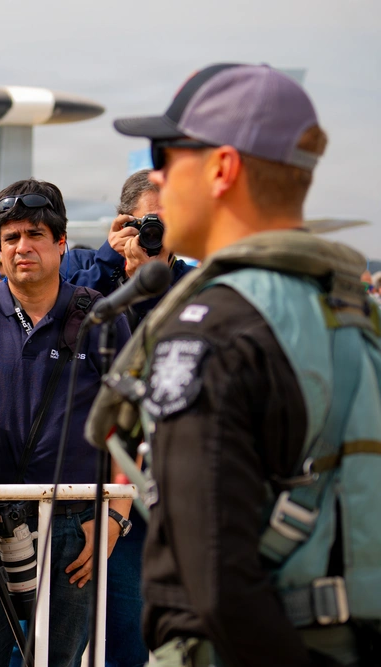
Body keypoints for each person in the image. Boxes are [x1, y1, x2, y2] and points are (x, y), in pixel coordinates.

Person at [88, 63, 381, 667]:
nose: (159, 180)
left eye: (167, 157)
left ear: (222, 168)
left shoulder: (213, 327)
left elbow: (212, 578)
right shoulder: (348, 306)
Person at [0, 178, 131, 667]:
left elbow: (132, 426)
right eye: (10, 238)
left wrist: (114, 516)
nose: (22, 247)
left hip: (75, 521)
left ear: (61, 243)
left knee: (58, 658)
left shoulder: (102, 317)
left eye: (36, 235)